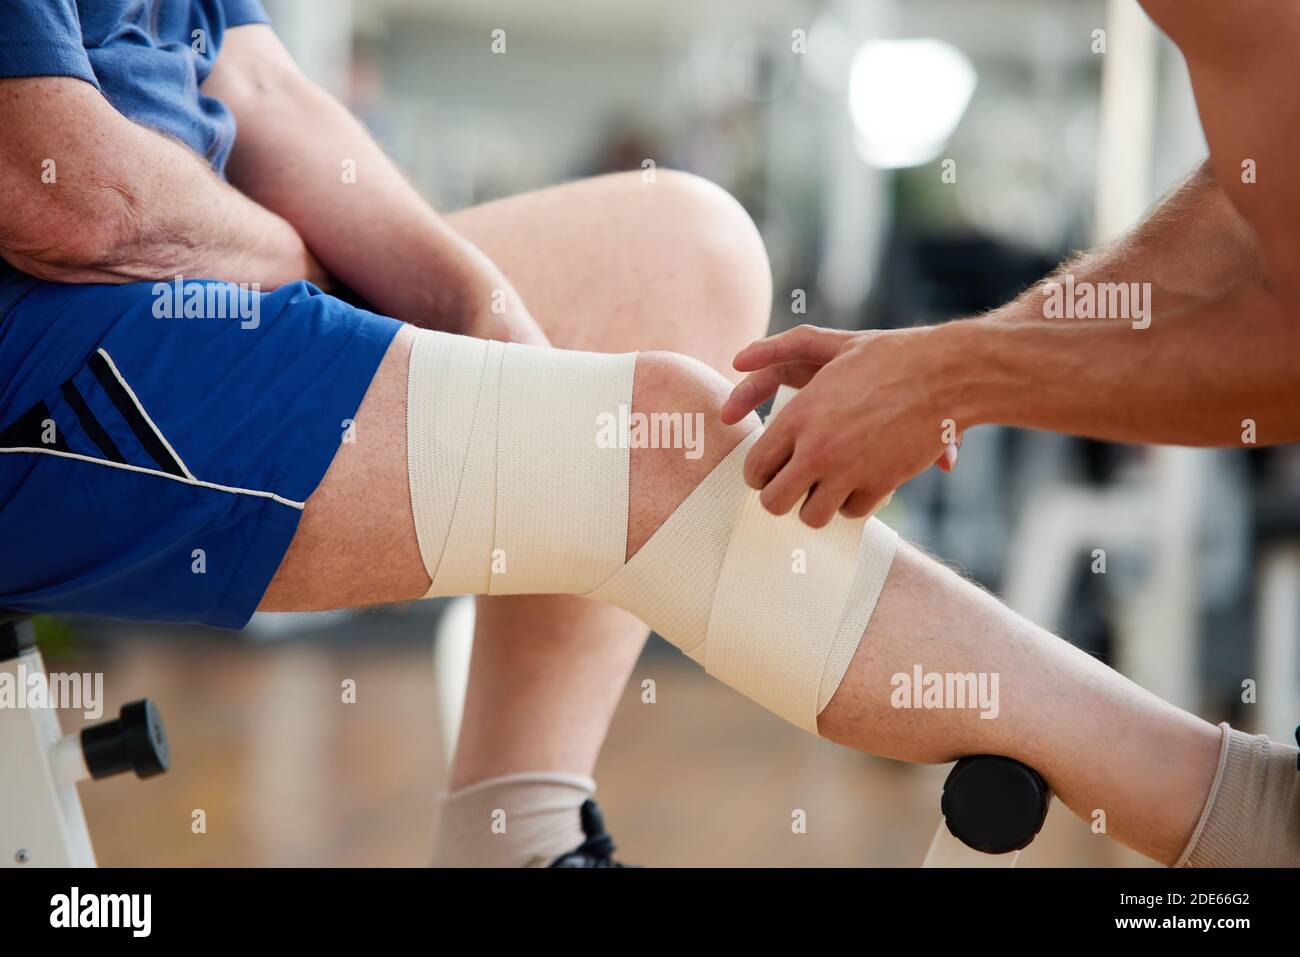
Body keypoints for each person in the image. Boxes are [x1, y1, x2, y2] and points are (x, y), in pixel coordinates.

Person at [1, 1, 1294, 869]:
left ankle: (515, 827)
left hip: (197, 278)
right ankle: (1235, 807)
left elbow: (251, 75)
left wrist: (468, 304)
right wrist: (296, 269)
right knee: (664, 440)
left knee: (684, 252)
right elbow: (59, 196)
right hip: (56, 329)